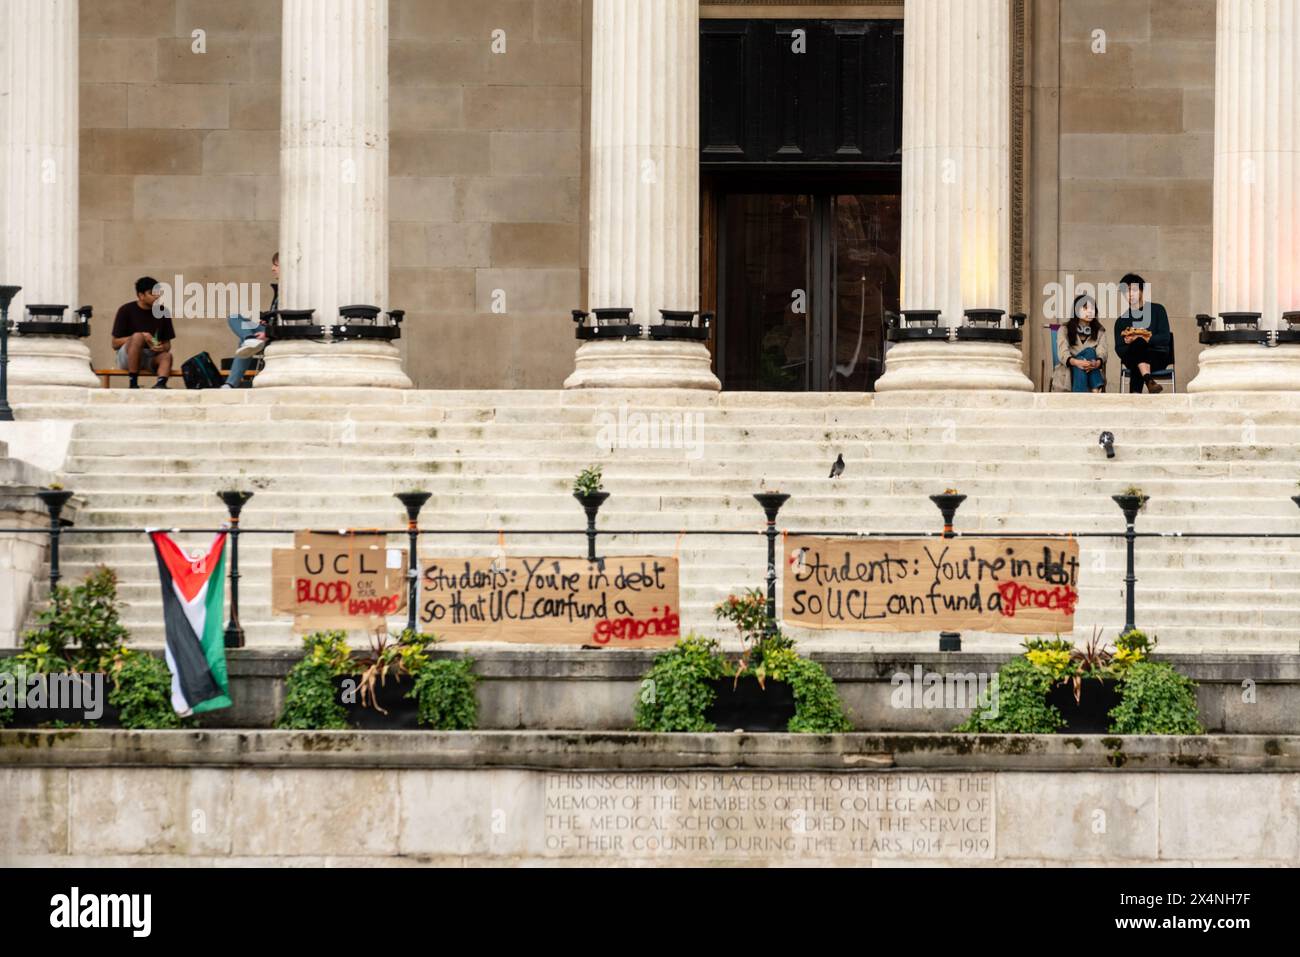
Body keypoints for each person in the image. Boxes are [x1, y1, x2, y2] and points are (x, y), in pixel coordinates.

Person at [222, 251, 278, 389]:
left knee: (244, 343)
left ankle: (230, 384)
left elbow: (289, 322)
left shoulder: (292, 290)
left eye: (276, 265)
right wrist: (267, 322)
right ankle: (249, 337)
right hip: (269, 329)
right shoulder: (281, 290)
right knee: (234, 317)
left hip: (276, 334)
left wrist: (267, 333)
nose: (272, 268)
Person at [111, 277, 176, 389]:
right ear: (141, 295)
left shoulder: (163, 312)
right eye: (152, 293)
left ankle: (161, 384)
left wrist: (160, 347)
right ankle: (133, 382)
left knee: (167, 356)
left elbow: (167, 345)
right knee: (137, 337)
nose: (157, 296)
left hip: (150, 357)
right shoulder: (126, 310)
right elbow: (114, 343)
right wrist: (142, 337)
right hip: (127, 357)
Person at [1113, 273, 1172, 394]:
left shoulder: (1158, 310)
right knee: (1136, 348)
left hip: (1157, 357)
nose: (1130, 294)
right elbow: (1119, 349)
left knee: (1138, 344)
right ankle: (1148, 379)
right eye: (1126, 291)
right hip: (1131, 358)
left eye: (1134, 290)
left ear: (1141, 290)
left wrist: (1145, 339)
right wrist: (1128, 342)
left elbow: (1165, 338)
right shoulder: (1121, 321)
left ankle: (1135, 394)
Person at [1053, 294, 1108, 393]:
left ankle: (1080, 396)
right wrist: (1077, 362)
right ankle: (1095, 389)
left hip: (1092, 368)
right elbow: (1063, 353)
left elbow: (1102, 352)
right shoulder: (1064, 329)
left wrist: (1097, 363)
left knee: (1090, 352)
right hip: (1068, 373)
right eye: (1085, 308)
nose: (1090, 311)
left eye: (1092, 308)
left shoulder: (1100, 331)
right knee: (1087, 354)